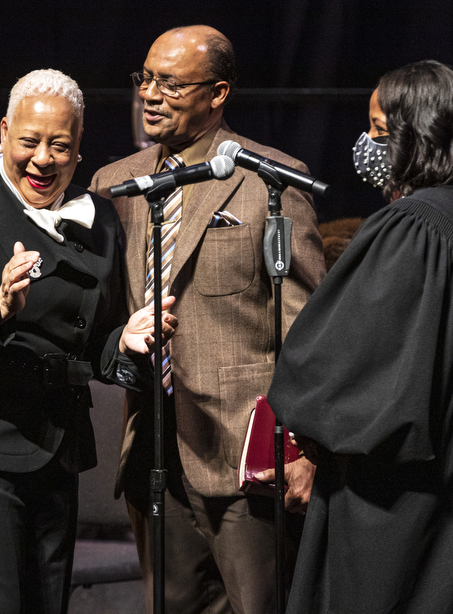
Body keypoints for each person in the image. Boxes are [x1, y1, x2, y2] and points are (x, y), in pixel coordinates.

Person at [0, 68, 175, 614]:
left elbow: (93, 344)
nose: (43, 159)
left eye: (60, 146)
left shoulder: (99, 224)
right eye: (29, 142)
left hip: (52, 451)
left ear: (79, 151)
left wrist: (126, 343)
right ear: (3, 133)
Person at [267, 60, 453, 613]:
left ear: (418, 136)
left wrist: (307, 422)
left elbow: (361, 377)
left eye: (381, 133)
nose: (368, 147)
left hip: (398, 512)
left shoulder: (414, 229)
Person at [89, 26, 325, 613]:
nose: (150, 94)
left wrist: (303, 448)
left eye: (170, 83)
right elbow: (97, 316)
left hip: (244, 462)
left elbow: (308, 330)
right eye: (145, 79)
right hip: (152, 452)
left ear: (218, 93)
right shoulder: (116, 185)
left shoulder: (270, 180)